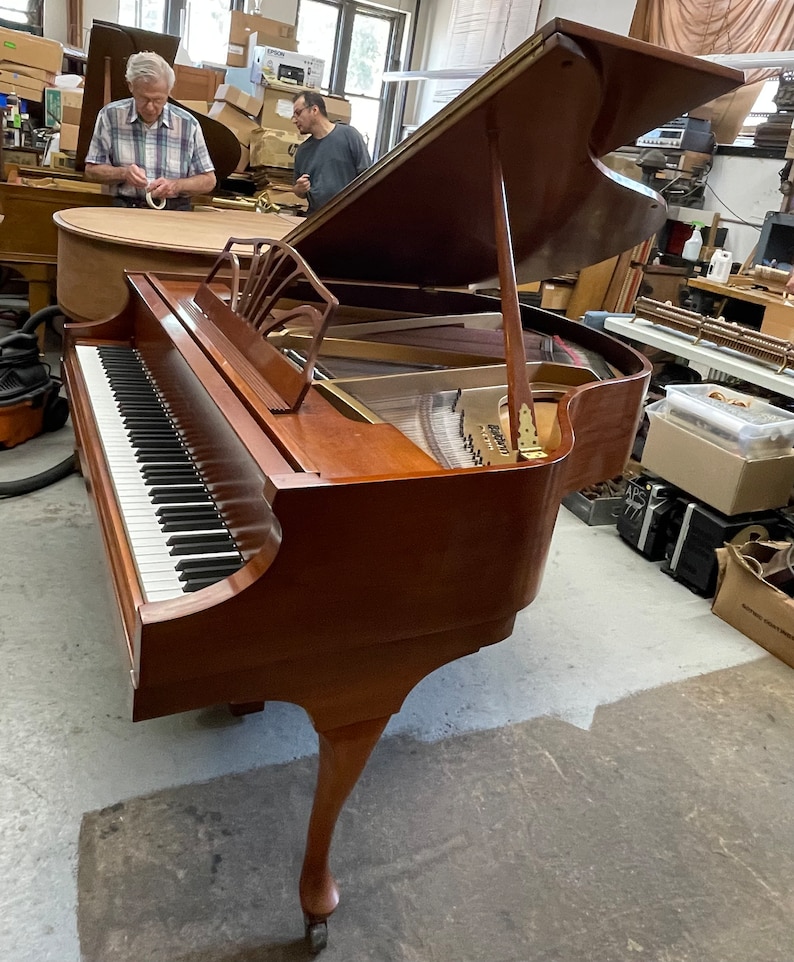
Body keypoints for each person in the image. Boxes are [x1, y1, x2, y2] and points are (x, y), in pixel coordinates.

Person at [84, 51, 216, 210]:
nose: (150, 107)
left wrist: (175, 185)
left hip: (174, 211)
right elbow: (91, 171)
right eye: (144, 98)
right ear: (131, 86)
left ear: (168, 91)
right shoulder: (110, 116)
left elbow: (209, 180)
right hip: (126, 208)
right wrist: (123, 173)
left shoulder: (188, 125)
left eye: (158, 100)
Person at [291, 90, 371, 214]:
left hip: (349, 216)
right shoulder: (302, 151)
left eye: (298, 113)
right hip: (315, 219)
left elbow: (368, 176)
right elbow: (297, 191)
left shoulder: (349, 135)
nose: (294, 120)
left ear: (314, 110)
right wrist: (300, 188)